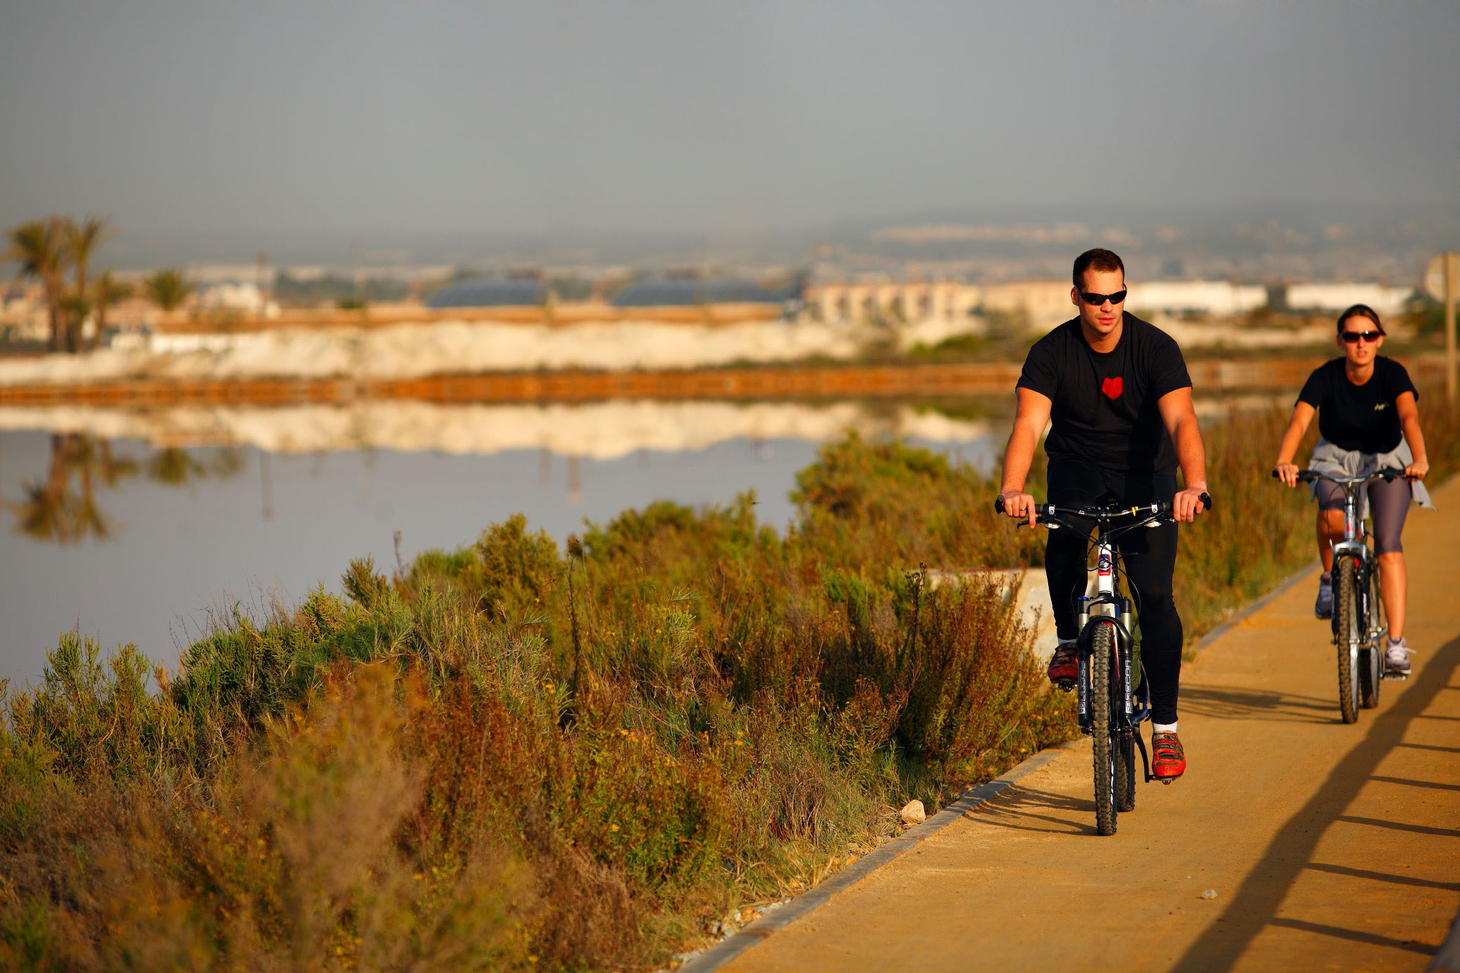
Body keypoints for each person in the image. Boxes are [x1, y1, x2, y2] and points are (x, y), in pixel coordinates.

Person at [998, 248, 1210, 780]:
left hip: (1147, 475)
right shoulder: (1051, 351)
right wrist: (1013, 488)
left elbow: (1182, 420)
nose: (1107, 308)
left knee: (1157, 596)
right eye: (1095, 298)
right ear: (1076, 297)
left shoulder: (1156, 348)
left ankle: (1165, 732)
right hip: (1078, 468)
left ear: (1124, 294)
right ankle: (1070, 640)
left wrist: (1195, 485)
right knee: (1064, 533)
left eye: (1116, 296)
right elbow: (1028, 424)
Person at [1272, 304, 1432, 676]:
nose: (1361, 343)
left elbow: (1409, 417)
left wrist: (1419, 460)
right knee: (1329, 516)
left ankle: (1394, 645)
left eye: (1369, 336)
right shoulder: (1324, 376)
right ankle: (1330, 580)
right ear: (1340, 341)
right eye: (1352, 336)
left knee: (1389, 544)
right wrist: (1285, 460)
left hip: (1388, 461)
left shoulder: (1393, 374)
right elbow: (1299, 420)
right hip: (1335, 458)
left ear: (1380, 340)